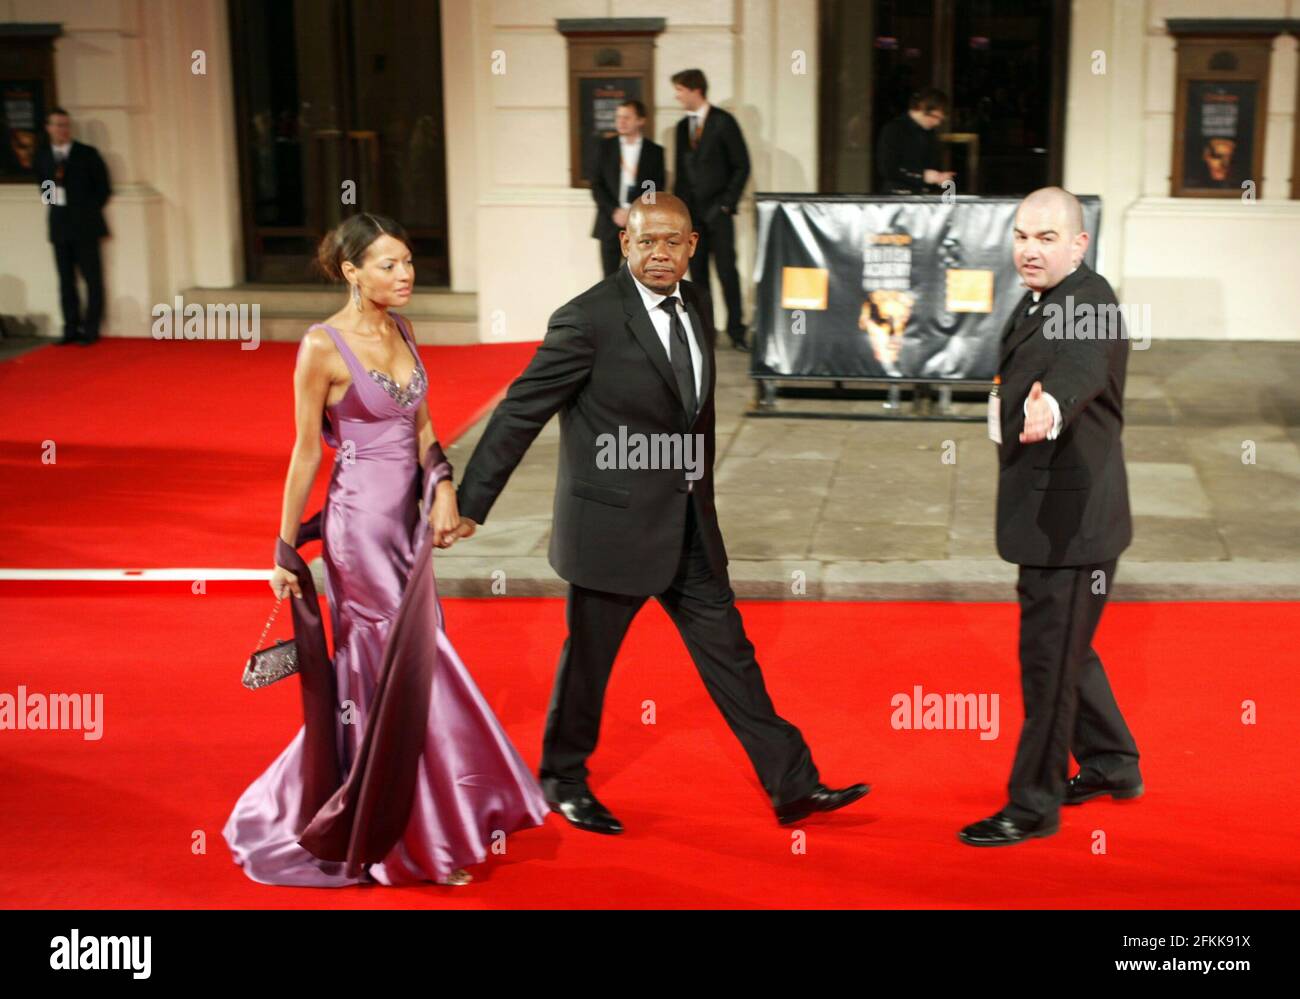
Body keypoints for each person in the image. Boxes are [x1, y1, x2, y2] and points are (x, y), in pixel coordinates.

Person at [449, 194, 869, 834]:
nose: (658, 254)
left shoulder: (695, 303)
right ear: (625, 245)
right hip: (611, 528)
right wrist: (471, 503)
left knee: (731, 655)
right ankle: (563, 778)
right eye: (646, 243)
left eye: (671, 242)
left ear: (692, 245)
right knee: (590, 664)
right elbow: (519, 412)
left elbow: (691, 414)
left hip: (689, 524)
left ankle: (793, 783)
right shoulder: (585, 321)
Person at [223, 213, 549, 886]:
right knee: (408, 666)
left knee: (401, 669)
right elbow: (307, 450)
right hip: (358, 533)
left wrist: (445, 488)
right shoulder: (322, 346)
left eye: (407, 262)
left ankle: (407, 815)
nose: (405, 276)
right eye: (388, 265)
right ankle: (408, 839)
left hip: (408, 521)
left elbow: (423, 421)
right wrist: (286, 548)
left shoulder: (401, 328)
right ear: (350, 271)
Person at [959, 187, 1142, 847]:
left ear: (1079, 243)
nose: (1029, 250)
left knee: (1047, 664)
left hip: (1072, 526)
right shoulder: (1046, 296)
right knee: (1067, 650)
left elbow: (1081, 368)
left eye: (1045, 238)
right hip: (1051, 512)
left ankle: (1032, 804)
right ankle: (1113, 761)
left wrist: (1054, 407)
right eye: (1021, 236)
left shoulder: (1089, 304)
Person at [670, 69, 751, 352]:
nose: (676, 95)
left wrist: (727, 204)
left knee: (727, 272)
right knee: (698, 276)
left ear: (695, 90)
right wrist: (680, 212)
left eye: (679, 90)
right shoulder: (681, 128)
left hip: (719, 213)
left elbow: (742, 165)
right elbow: (681, 173)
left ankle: (737, 331)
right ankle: (706, 332)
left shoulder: (723, 122)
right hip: (692, 217)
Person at [33, 108, 111, 346]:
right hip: (59, 226)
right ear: (48, 128)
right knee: (65, 281)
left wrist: (84, 210)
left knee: (92, 279)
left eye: (65, 125)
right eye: (57, 125)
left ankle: (91, 329)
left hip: (86, 226)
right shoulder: (43, 156)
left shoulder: (87, 154)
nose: (62, 130)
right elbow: (45, 190)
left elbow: (103, 189)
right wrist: (56, 203)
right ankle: (70, 327)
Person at [590, 99, 665, 277]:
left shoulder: (654, 151)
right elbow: (596, 185)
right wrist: (614, 211)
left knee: (641, 276)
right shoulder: (605, 147)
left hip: (640, 224)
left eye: (627, 117)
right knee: (609, 278)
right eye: (618, 117)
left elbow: (653, 188)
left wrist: (634, 212)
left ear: (640, 120)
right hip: (610, 221)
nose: (621, 122)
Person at [875, 88, 955, 194]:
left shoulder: (930, 134)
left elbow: (931, 165)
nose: (937, 123)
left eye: (940, 119)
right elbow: (888, 169)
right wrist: (922, 176)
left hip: (923, 198)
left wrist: (938, 177)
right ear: (921, 108)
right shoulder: (894, 129)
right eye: (935, 117)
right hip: (898, 198)